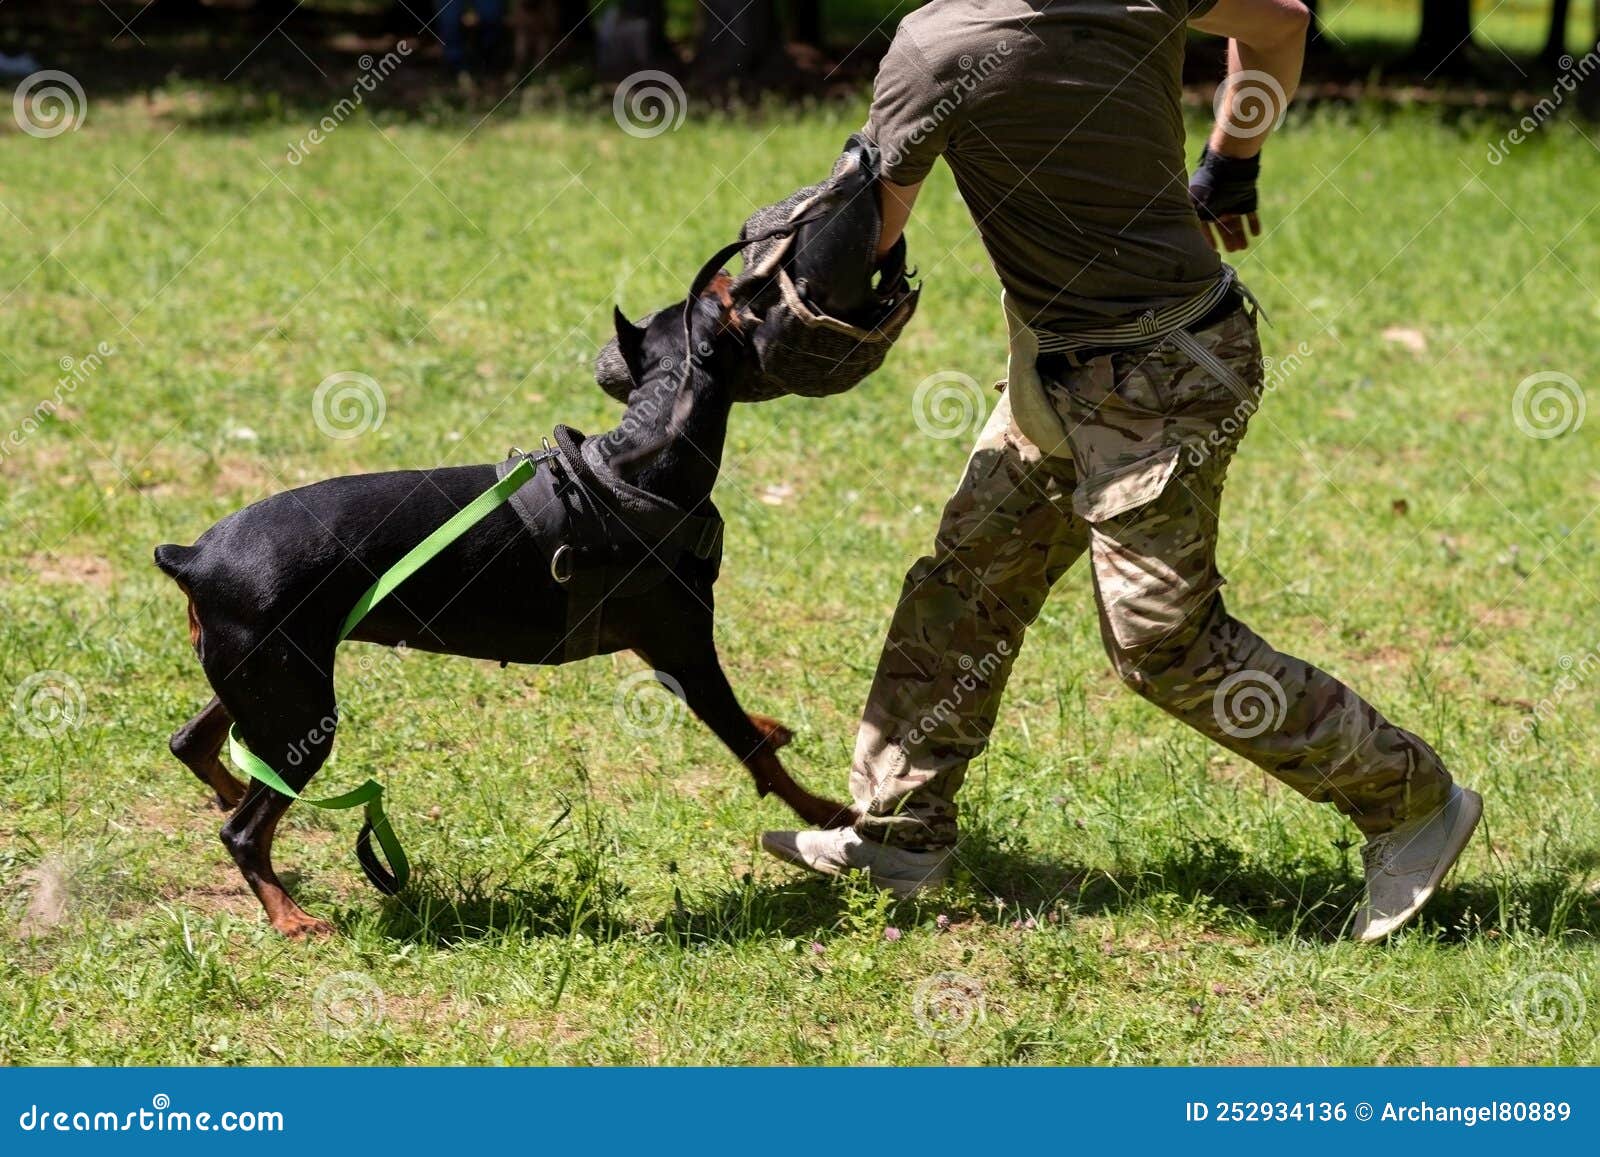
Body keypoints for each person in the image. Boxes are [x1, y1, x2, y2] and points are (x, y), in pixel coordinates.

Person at [761, 0, 1481, 942]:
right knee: (970, 581)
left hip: (1162, 382)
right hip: (1079, 361)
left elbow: (863, 254)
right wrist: (1232, 163)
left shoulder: (936, 50)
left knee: (1162, 644)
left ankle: (1412, 800)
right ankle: (900, 833)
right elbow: (1281, 28)